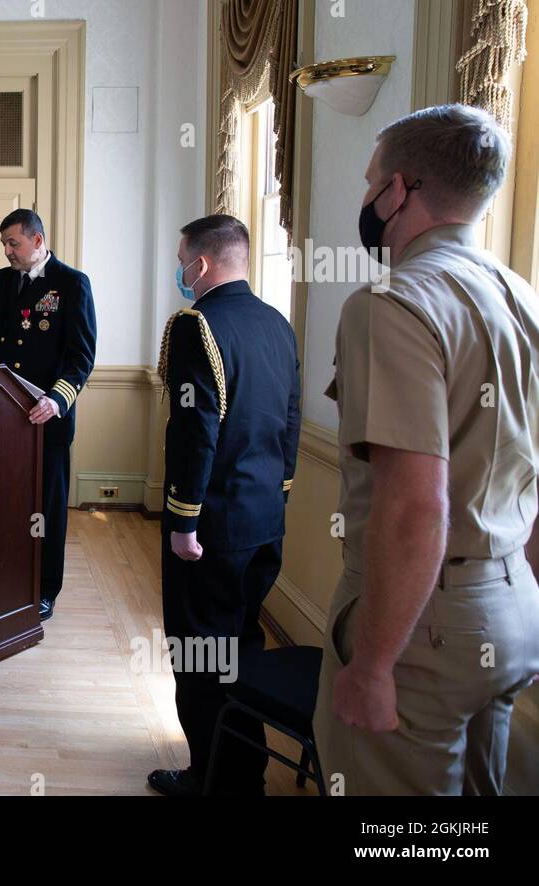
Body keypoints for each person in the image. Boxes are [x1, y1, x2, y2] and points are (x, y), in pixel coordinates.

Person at [315, 103, 539, 795]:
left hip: (420, 625)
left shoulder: (392, 304)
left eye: (370, 181)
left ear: (400, 190)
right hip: (510, 603)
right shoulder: (522, 298)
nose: (366, 197)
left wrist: (375, 665)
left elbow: (414, 505)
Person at [146, 214, 300, 797]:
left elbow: (196, 431)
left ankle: (215, 780)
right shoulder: (277, 324)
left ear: (201, 264)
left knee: (201, 655)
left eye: (182, 258)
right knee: (242, 646)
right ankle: (245, 771)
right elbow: (290, 421)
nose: (180, 270)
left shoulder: (197, 325)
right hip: (264, 520)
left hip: (209, 528)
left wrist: (183, 521)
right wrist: (278, 494)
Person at [0, 209, 96, 621]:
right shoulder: (3, 282)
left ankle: (44, 589)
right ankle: (3, 575)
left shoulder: (71, 284)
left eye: (13, 243)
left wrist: (57, 399)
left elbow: (81, 356)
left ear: (37, 241)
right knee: (3, 500)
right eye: (4, 244)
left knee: (46, 507)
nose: (7, 252)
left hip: (46, 416)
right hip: (2, 414)